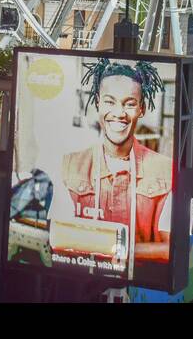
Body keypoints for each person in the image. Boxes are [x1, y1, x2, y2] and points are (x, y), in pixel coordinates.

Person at [51, 58, 173, 266]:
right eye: (110, 101)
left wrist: (113, 247)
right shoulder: (69, 165)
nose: (119, 113)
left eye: (130, 104)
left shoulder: (165, 170)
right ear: (97, 102)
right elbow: (58, 239)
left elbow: (170, 248)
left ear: (141, 108)